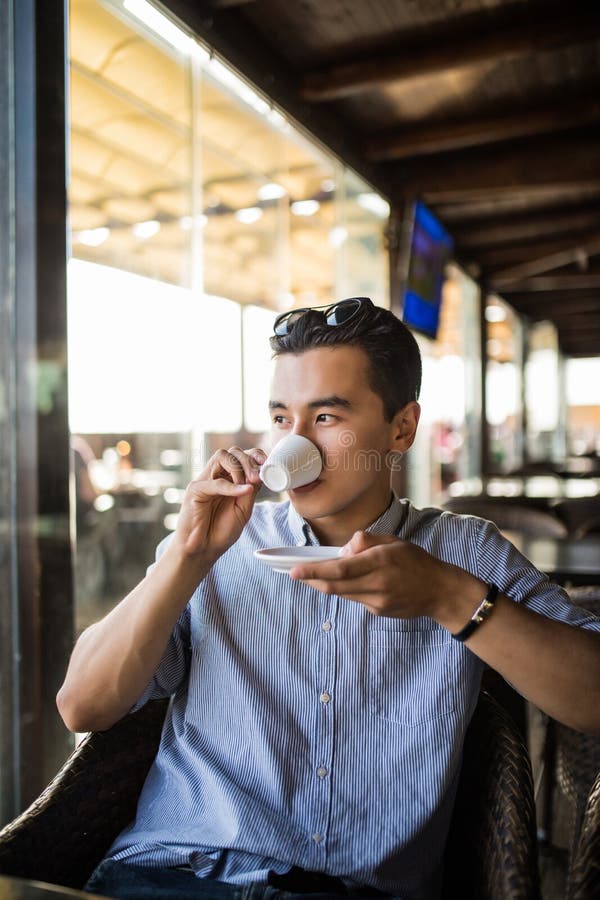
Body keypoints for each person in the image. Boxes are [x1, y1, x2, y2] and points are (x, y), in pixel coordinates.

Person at [57, 297, 600, 900]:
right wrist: (186, 556)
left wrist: (450, 598)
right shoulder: (220, 546)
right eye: (283, 418)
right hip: (177, 874)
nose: (298, 443)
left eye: (326, 417)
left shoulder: (462, 554)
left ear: (402, 428)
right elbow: (82, 707)